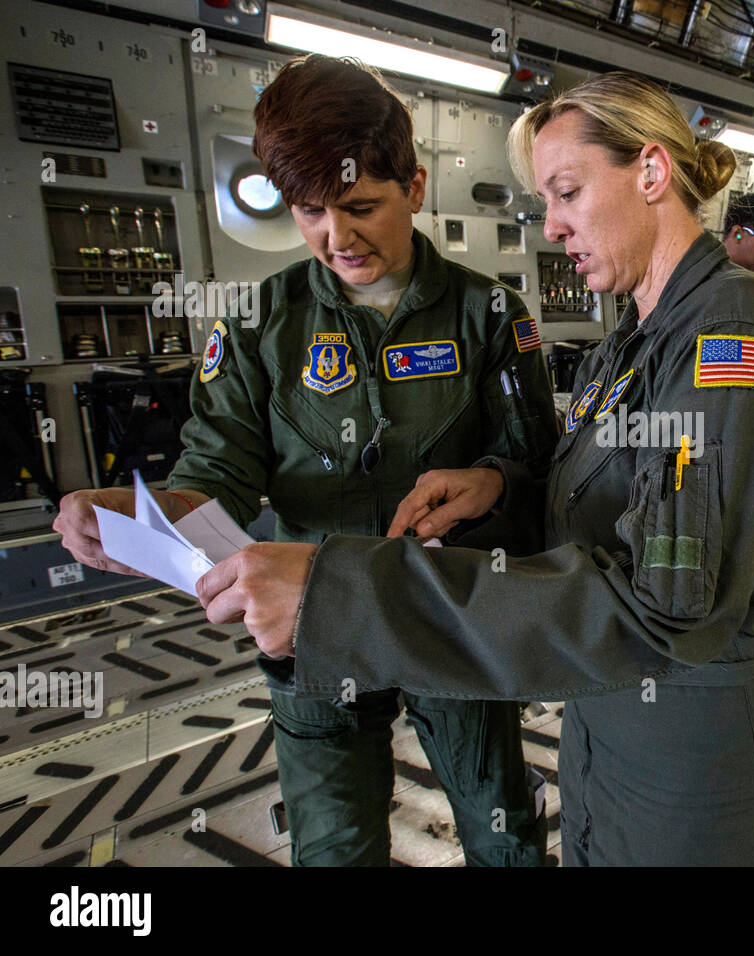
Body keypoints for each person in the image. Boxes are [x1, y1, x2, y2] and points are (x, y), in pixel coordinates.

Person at [191, 71, 754, 866]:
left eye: (566, 193)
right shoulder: (629, 345)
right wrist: (497, 489)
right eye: (545, 202)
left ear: (650, 172)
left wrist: (343, 591)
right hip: (610, 716)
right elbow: (597, 514)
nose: (553, 226)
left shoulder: (731, 335)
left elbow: (676, 608)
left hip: (694, 747)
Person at [52, 55, 556, 867]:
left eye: (362, 207)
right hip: (312, 628)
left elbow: (540, 467)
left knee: (503, 831)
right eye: (309, 211)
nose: (336, 237)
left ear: (416, 187)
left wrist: (493, 480)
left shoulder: (487, 314)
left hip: (447, 615)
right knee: (334, 848)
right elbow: (216, 472)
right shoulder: (259, 325)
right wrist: (145, 513)